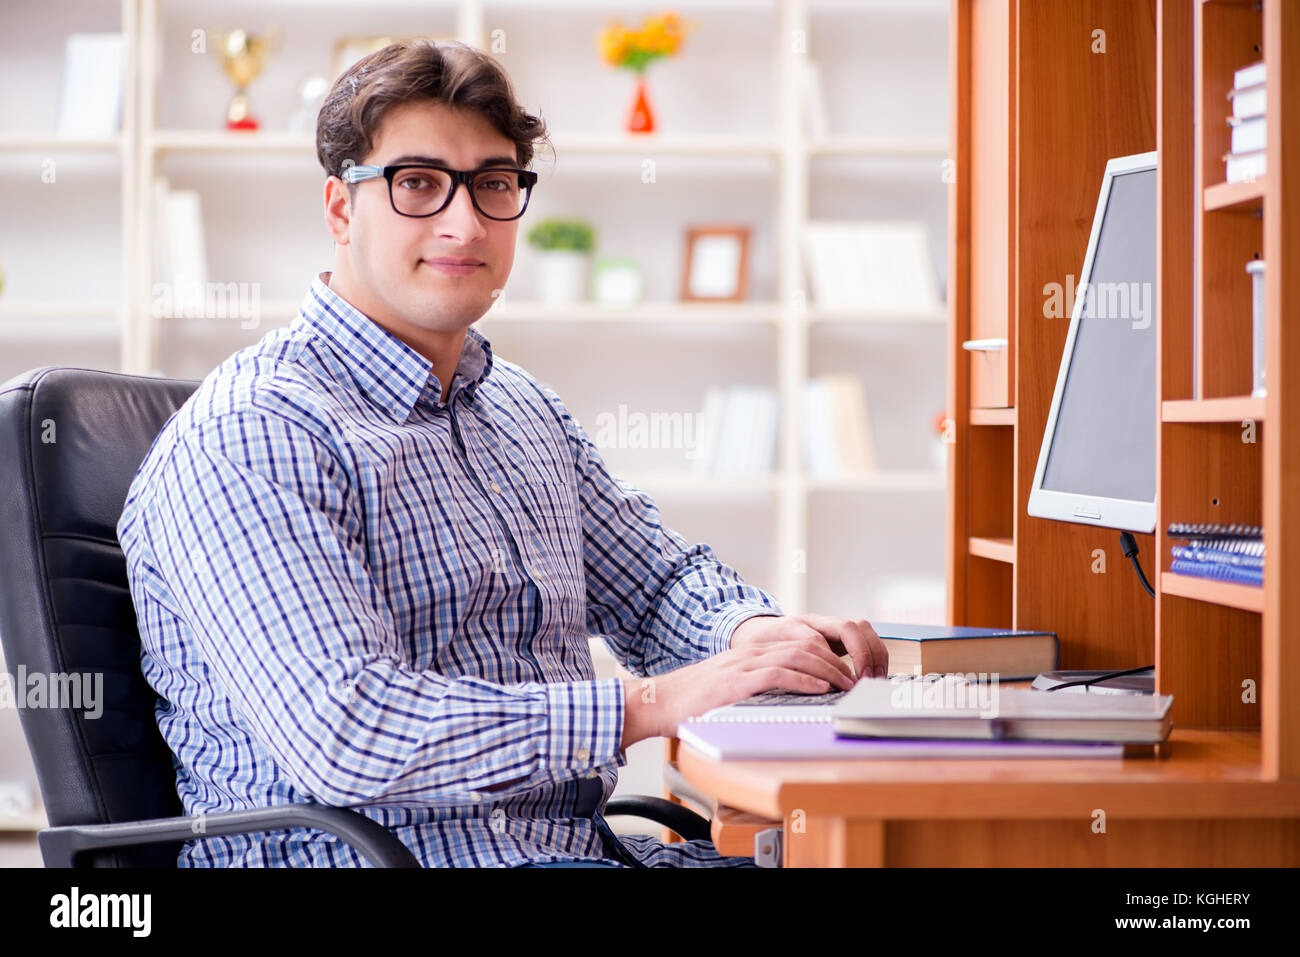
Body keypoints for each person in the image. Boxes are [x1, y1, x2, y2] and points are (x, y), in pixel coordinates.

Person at [116, 38, 888, 868]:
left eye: (492, 184)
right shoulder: (255, 431)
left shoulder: (518, 406)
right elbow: (347, 728)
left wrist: (763, 641)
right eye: (416, 183)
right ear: (341, 208)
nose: (464, 221)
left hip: (572, 850)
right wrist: (651, 704)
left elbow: (657, 585)